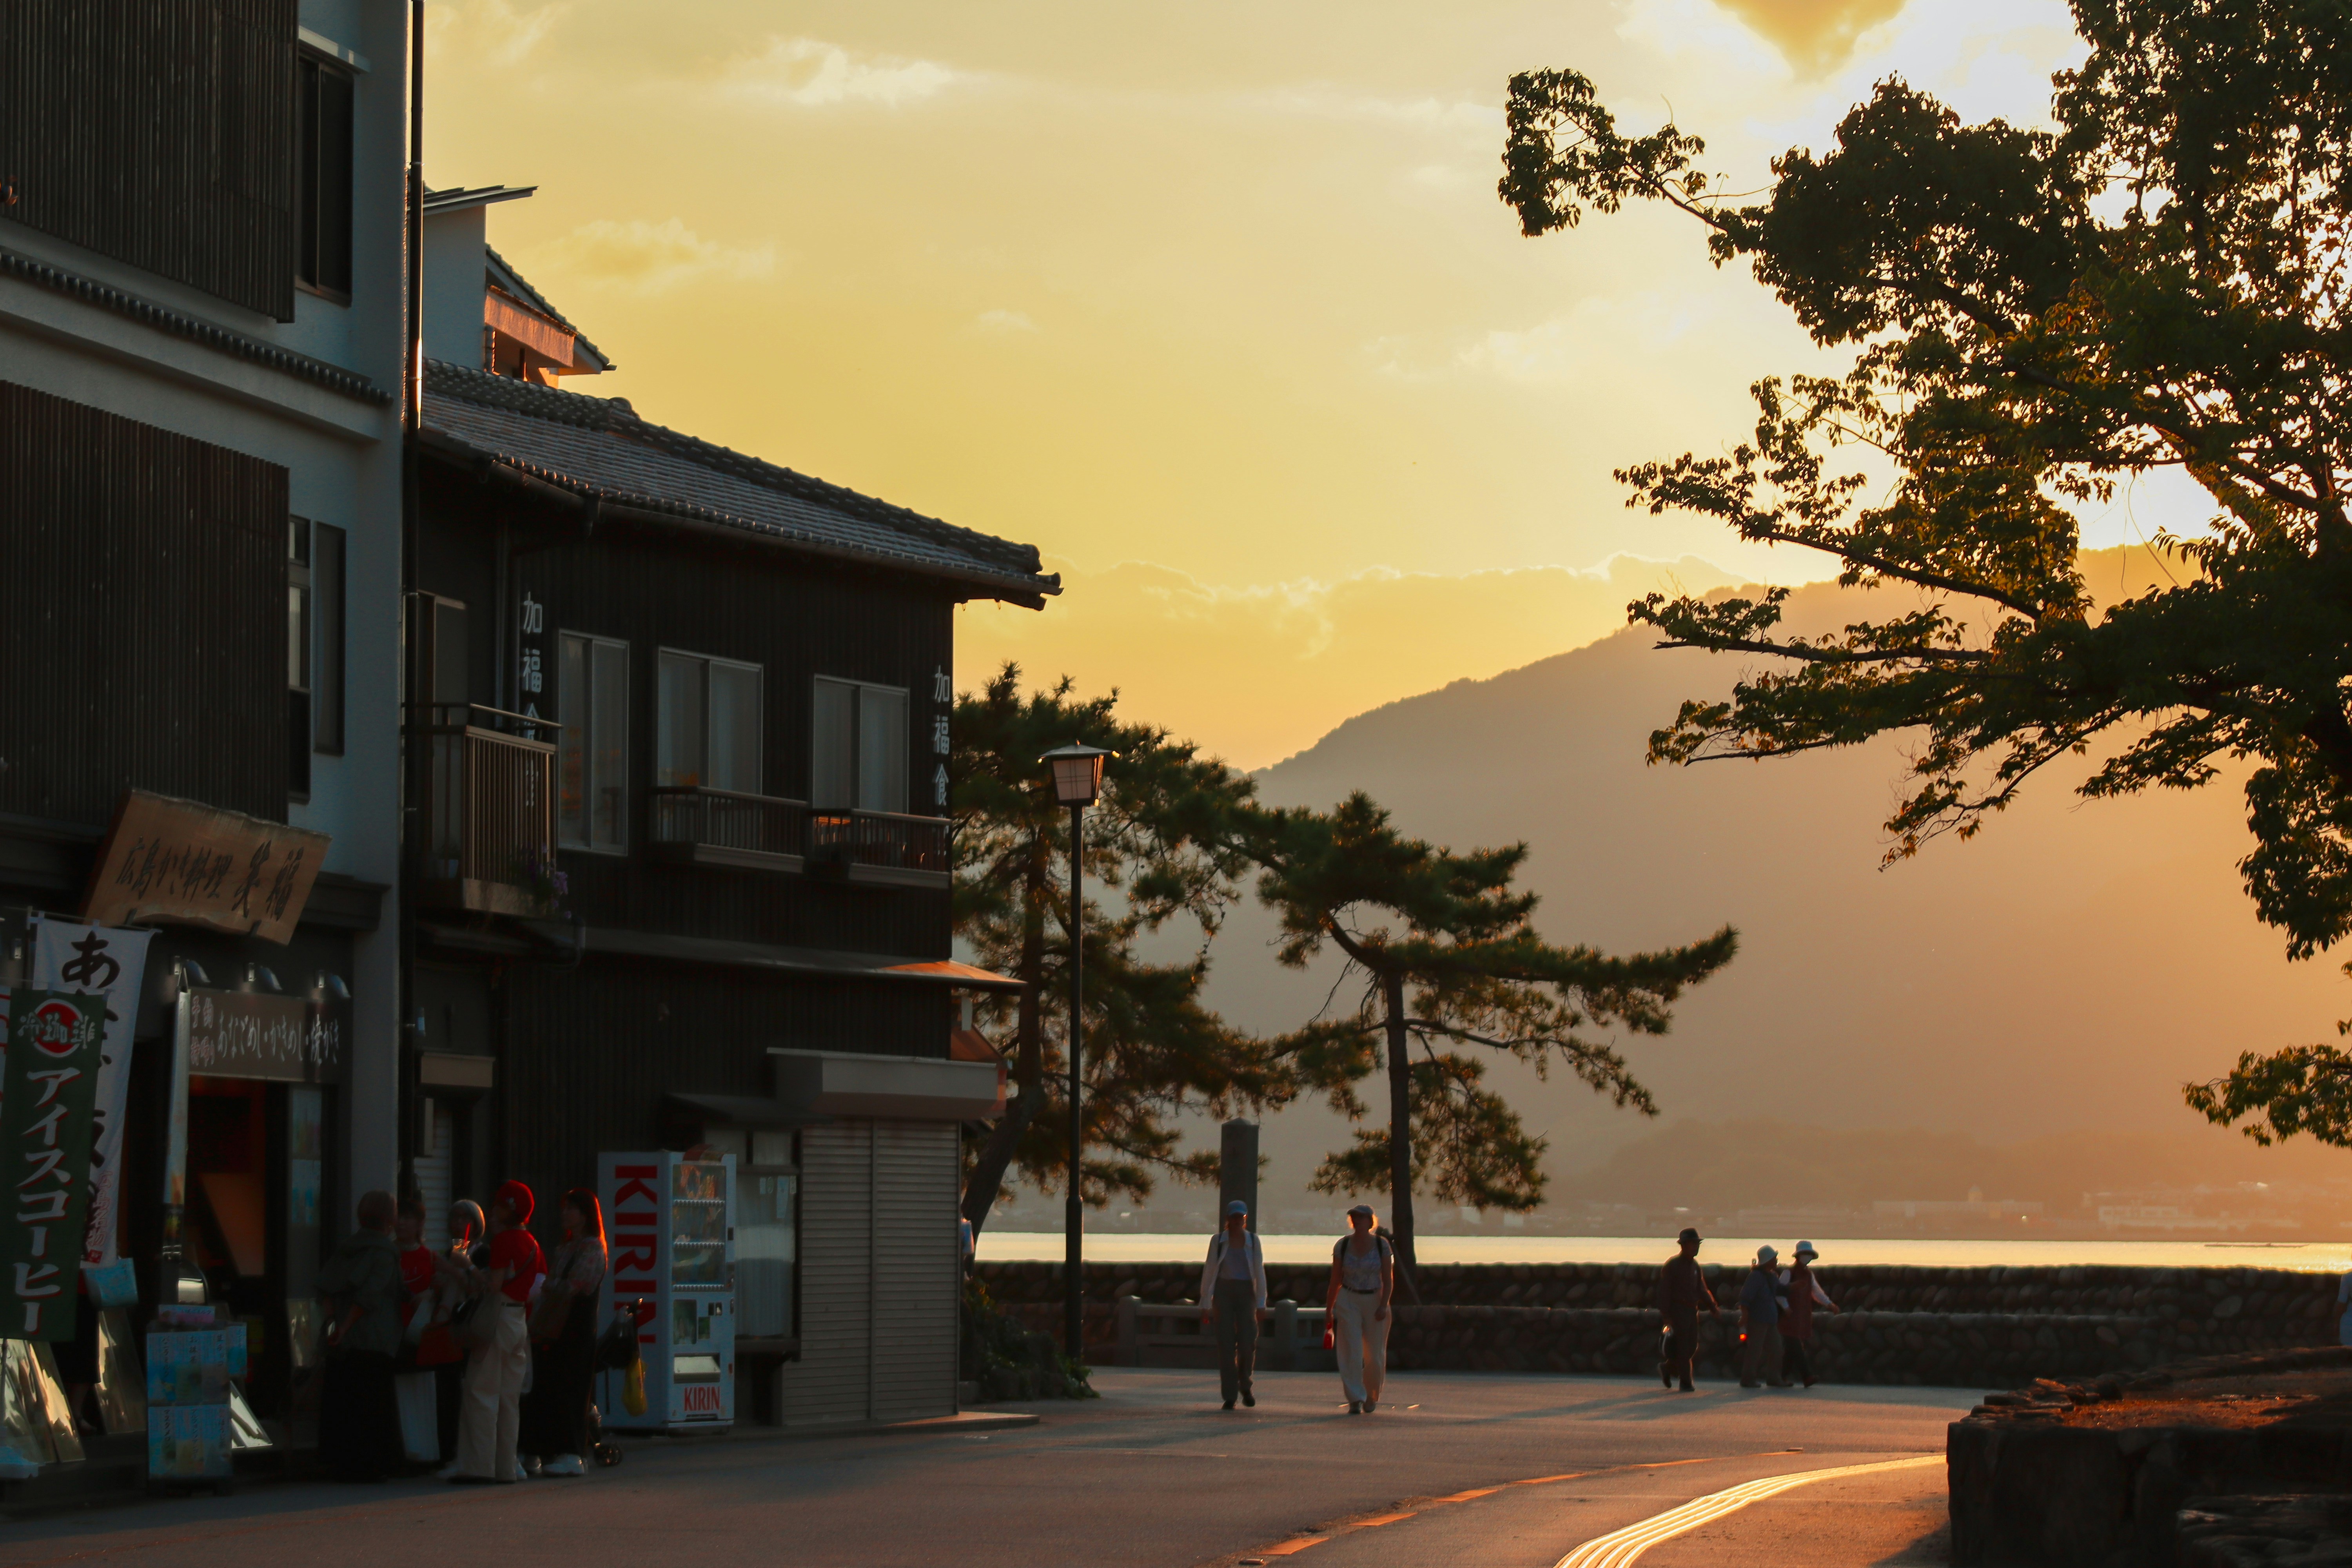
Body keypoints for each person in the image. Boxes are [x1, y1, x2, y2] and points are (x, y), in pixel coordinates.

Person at [446, 1181, 543, 1483]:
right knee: (508, 1399)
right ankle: (505, 1467)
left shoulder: (504, 1242)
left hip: (498, 1318)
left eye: (498, 1205)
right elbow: (538, 1287)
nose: (493, 1209)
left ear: (506, 1210)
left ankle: (478, 1467)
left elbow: (493, 1286)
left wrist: (466, 1266)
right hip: (519, 1322)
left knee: (480, 1391)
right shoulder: (533, 1244)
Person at [315, 1190, 409, 1481]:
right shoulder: (385, 1252)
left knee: (343, 1401)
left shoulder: (348, 1247)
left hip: (343, 1342)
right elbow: (370, 1296)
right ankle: (375, 1464)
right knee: (374, 1403)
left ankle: (340, 1462)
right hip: (374, 1338)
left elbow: (325, 1287)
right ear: (390, 1219)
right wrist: (347, 1325)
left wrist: (334, 1323)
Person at [521, 1188, 607, 1478]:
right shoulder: (566, 1247)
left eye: (571, 1208)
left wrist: (548, 1285)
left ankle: (572, 1453)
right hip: (555, 1329)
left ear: (585, 1215)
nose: (564, 1214)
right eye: (564, 1208)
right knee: (546, 1389)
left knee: (571, 1391)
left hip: (577, 1330)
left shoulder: (593, 1248)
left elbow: (574, 1287)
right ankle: (540, 1450)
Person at [431, 1200, 486, 1464]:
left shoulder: (482, 1253)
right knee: (447, 1389)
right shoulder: (448, 1252)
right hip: (448, 1325)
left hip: (470, 1324)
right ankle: (448, 1451)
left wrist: (455, 1268)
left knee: (466, 1389)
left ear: (476, 1223)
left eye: (465, 1218)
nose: (458, 1223)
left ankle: (465, 1452)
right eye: (454, 1217)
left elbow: (481, 1290)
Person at [1325, 1205, 1394, 1415]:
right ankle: (1355, 1398)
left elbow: (1388, 1280)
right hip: (1349, 1298)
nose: (1357, 1221)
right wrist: (1329, 1309)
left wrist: (1384, 1305)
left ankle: (1371, 1396)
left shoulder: (1382, 1246)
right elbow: (1336, 1279)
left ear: (1370, 1221)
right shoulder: (1343, 1245)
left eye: (1362, 1218)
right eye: (1354, 1217)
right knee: (1352, 1351)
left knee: (1374, 1354)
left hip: (1375, 1299)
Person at [1199, 1200, 1267, 1411]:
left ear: (1245, 1219)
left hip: (1246, 1292)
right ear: (1228, 1219)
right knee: (1226, 1345)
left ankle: (1245, 1385)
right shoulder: (1219, 1241)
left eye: (1241, 1217)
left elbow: (1259, 1272)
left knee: (1248, 1342)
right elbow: (1210, 1271)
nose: (1238, 1221)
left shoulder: (1253, 1242)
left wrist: (1261, 1302)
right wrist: (1205, 1302)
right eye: (1234, 1217)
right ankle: (1229, 1395)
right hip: (1224, 1293)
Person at [392, 1197, 442, 1465]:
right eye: (399, 1217)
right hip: (394, 1334)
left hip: (422, 1335)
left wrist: (431, 1293)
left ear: (420, 1224)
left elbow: (450, 1284)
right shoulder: (388, 1254)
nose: (401, 1223)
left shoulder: (430, 1257)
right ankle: (404, 1452)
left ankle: (424, 1452)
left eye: (408, 1218)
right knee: (398, 1394)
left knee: (422, 1391)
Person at [1656, 1227, 1719, 1393]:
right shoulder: (1673, 1266)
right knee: (1683, 1347)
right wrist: (1666, 1315)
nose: (1696, 1247)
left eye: (1697, 1244)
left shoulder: (1695, 1267)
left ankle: (1668, 1368)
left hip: (1692, 1311)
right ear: (1684, 1246)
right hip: (1678, 1310)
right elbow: (1665, 1291)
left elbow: (1702, 1289)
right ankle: (1686, 1382)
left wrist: (1712, 1306)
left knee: (1692, 1347)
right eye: (1693, 1244)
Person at [1778, 1241, 1838, 1388]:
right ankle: (1807, 1376)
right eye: (1805, 1255)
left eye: (1809, 1255)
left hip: (1802, 1317)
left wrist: (1829, 1304)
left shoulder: (1809, 1275)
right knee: (1796, 1346)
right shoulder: (1788, 1273)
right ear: (1798, 1257)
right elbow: (1779, 1292)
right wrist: (1785, 1307)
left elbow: (1816, 1292)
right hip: (1788, 1317)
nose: (1807, 1258)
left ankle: (1781, 1377)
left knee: (1792, 1349)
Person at [1738, 1245, 1788, 1389]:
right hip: (1758, 1320)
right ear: (1768, 1261)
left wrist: (1794, 1287)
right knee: (1755, 1350)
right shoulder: (1756, 1277)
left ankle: (1774, 1378)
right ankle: (1748, 1379)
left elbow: (1780, 1289)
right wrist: (1745, 1316)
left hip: (1770, 1320)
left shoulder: (1772, 1276)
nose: (1777, 1261)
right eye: (1774, 1258)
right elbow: (1745, 1298)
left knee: (1777, 1348)